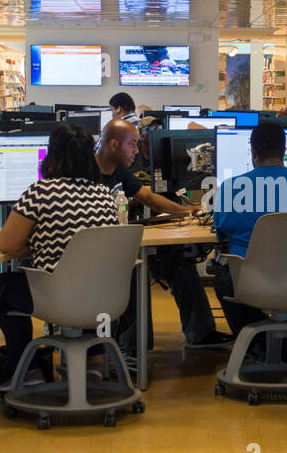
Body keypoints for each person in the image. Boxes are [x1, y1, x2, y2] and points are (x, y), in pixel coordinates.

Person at [0, 123, 118, 389]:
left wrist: (39, 244)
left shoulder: (40, 192)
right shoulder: (105, 195)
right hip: (103, 298)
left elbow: (8, 245)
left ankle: (27, 368)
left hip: (56, 298)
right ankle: (93, 361)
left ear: (52, 154)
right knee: (86, 274)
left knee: (1, 286)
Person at [97, 119, 231, 348]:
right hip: (100, 254)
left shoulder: (119, 171)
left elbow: (147, 197)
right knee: (136, 268)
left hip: (120, 244)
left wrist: (186, 210)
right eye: (132, 145)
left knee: (178, 257)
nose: (137, 151)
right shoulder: (86, 172)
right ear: (112, 144)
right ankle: (129, 347)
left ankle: (200, 332)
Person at [211, 121, 287, 361]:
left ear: (252, 152)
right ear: (285, 150)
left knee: (222, 279)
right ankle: (284, 349)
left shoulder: (231, 188)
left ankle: (257, 346)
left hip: (250, 283)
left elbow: (220, 233)